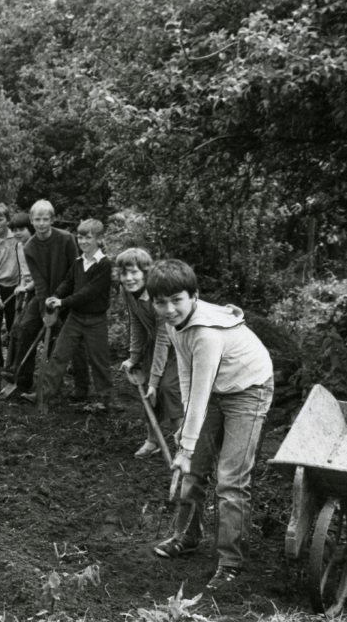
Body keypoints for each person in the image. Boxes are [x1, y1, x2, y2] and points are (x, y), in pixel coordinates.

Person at [147, 259, 273, 592]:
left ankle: (231, 562)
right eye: (161, 302)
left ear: (194, 296)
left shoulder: (205, 332)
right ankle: (187, 535)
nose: (170, 309)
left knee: (231, 479)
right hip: (214, 389)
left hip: (249, 389)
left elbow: (201, 390)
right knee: (194, 469)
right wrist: (188, 432)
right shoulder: (174, 325)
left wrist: (186, 446)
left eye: (177, 300)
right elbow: (187, 377)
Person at [1, 200, 79, 399]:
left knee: (59, 337)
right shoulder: (30, 247)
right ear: (32, 222)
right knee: (26, 327)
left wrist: (60, 301)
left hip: (69, 295)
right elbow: (39, 282)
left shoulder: (67, 239)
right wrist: (46, 311)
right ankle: (23, 379)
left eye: (46, 219)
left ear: (52, 219)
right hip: (43, 296)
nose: (42, 223)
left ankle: (54, 385)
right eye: (37, 219)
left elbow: (74, 272)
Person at [39, 218, 114, 410]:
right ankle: (46, 396)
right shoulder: (78, 262)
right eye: (80, 238)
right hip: (75, 317)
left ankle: (104, 399)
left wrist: (63, 302)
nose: (83, 242)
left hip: (96, 319)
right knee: (59, 355)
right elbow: (68, 283)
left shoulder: (104, 265)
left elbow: (88, 293)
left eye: (88, 238)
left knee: (99, 360)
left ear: (99, 239)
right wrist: (55, 295)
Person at [116, 247, 183, 459]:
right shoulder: (127, 291)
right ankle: (152, 441)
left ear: (146, 272)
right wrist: (134, 357)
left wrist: (155, 381)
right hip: (156, 344)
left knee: (167, 388)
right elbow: (136, 322)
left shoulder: (158, 296)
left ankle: (185, 446)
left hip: (178, 343)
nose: (129, 278)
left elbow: (165, 339)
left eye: (134, 272)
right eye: (124, 273)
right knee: (147, 391)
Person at [0, 204, 31, 370]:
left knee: (13, 326)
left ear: (7, 220)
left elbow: (24, 266)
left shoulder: (17, 240)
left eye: (0, 219)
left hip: (14, 288)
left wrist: (23, 285)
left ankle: (13, 363)